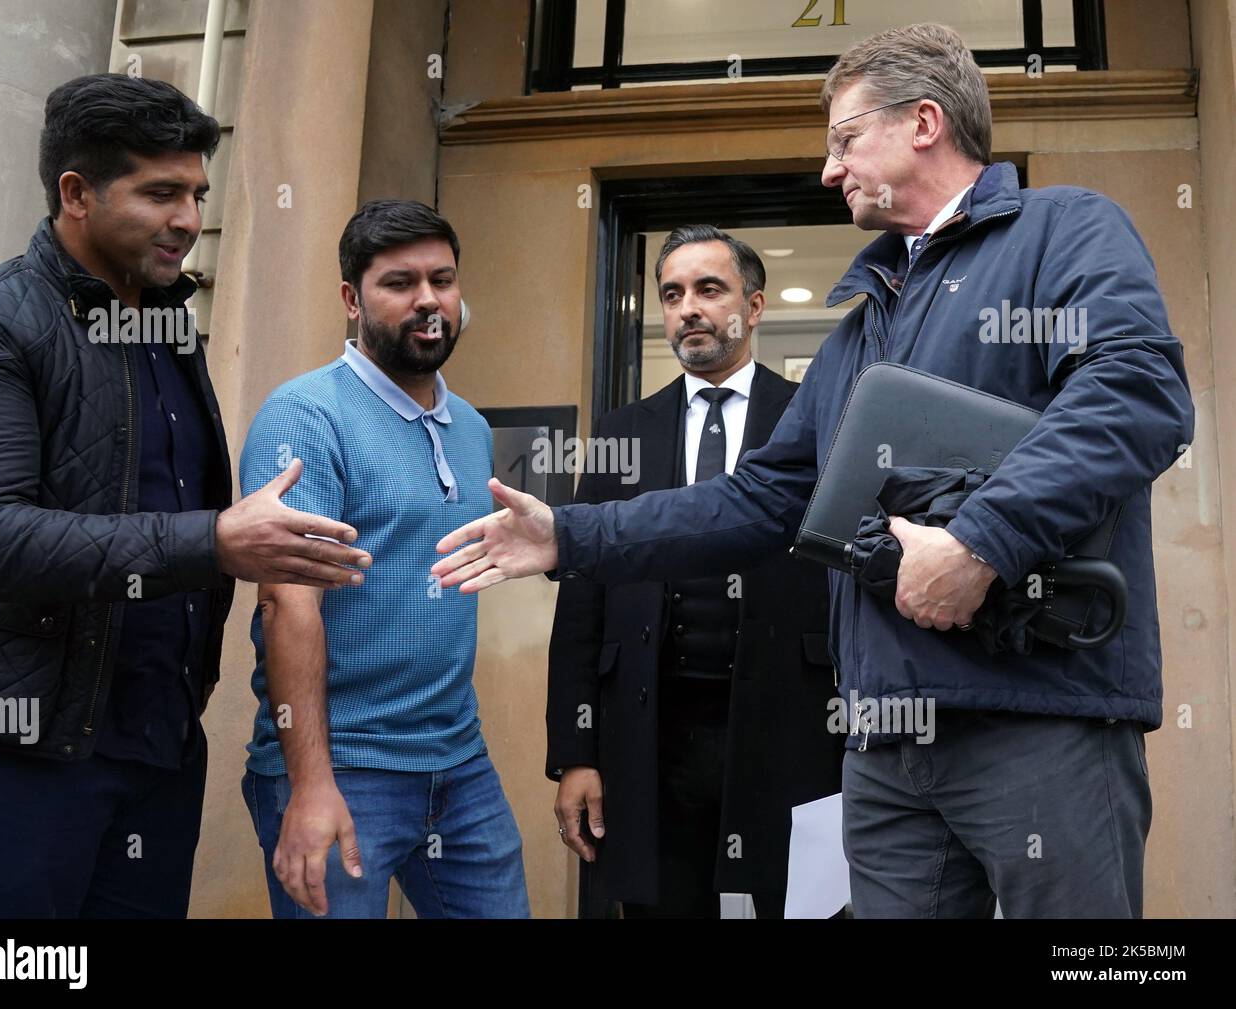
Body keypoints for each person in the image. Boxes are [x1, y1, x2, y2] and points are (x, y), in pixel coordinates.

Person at [432, 25, 1194, 919]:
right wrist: (569, 533)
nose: (829, 171)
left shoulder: (1065, 230)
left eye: (843, 139)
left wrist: (981, 542)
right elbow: (759, 498)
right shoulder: (857, 331)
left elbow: (1136, 396)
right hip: (884, 751)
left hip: (1042, 725)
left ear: (923, 121)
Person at [0, 73, 370, 919]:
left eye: (197, 193)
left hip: (156, 750)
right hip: (13, 759)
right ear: (76, 193)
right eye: (161, 192)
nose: (188, 218)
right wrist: (212, 542)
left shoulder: (167, 321)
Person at [240, 199, 529, 919]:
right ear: (351, 299)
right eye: (400, 283)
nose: (429, 299)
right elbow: (286, 601)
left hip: (458, 762)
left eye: (443, 279)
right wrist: (309, 784)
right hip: (344, 767)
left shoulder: (471, 427)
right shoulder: (305, 413)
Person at [547, 225, 842, 918]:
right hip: (649, 734)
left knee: (799, 906)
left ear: (755, 306)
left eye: (710, 289)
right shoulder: (624, 430)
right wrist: (575, 754)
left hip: (787, 724)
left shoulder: (813, 417)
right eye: (672, 294)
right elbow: (581, 605)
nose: (688, 308)